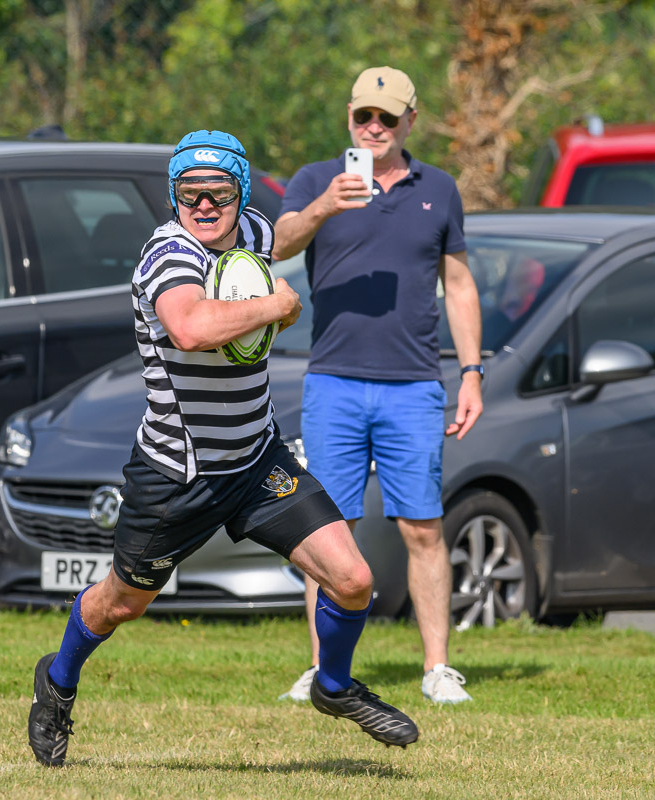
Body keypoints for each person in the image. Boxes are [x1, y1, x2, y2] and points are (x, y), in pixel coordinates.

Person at [27, 130, 419, 768]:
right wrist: (276, 304)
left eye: (218, 193)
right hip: (180, 475)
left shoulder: (250, 233)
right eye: (189, 194)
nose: (203, 206)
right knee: (121, 603)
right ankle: (58, 680)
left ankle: (333, 685)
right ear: (173, 196)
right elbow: (189, 326)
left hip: (257, 460)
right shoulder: (170, 255)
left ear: (241, 194)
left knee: (353, 579)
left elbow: (279, 239)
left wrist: (320, 209)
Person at [271, 66, 484, 706]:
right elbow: (276, 246)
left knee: (422, 528)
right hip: (333, 384)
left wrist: (471, 373)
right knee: (326, 532)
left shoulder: (438, 189)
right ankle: (321, 669)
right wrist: (323, 206)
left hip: (413, 386)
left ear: (410, 121)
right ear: (349, 116)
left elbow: (460, 286)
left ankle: (437, 669)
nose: (374, 127)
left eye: (387, 118)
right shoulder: (316, 179)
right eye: (364, 115)